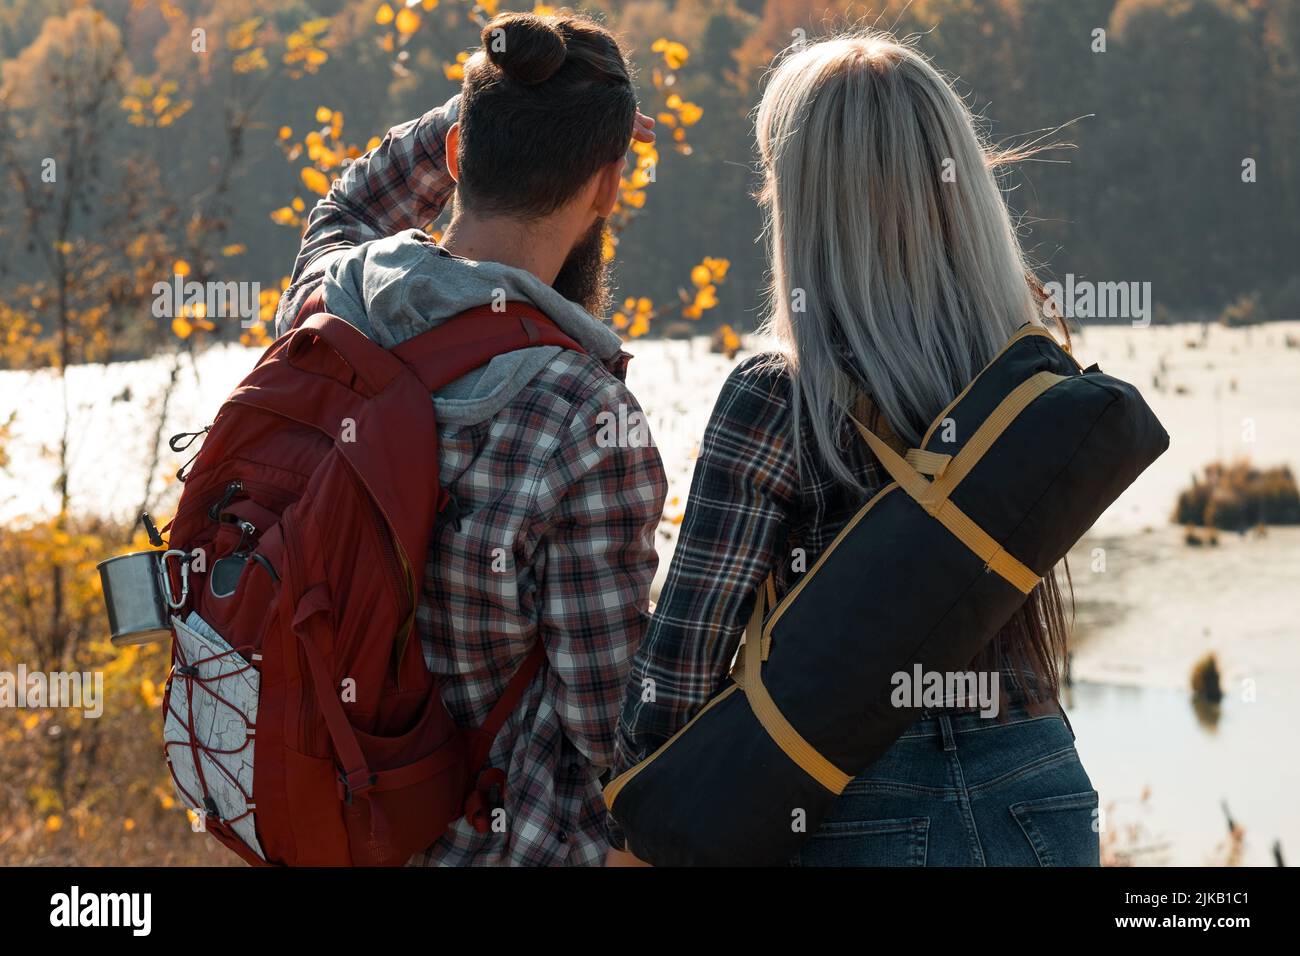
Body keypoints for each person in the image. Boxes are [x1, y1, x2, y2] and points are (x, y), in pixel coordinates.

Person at [608, 32, 1099, 867]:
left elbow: (681, 669)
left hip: (855, 807)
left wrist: (631, 811)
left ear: (804, 203)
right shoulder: (1024, 377)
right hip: (1040, 780)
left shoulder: (780, 396)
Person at [274, 10, 667, 866]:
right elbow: (615, 734)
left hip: (322, 828)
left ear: (456, 157)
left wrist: (468, 110)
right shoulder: (586, 420)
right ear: (608, 188)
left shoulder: (327, 303)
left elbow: (348, 203)